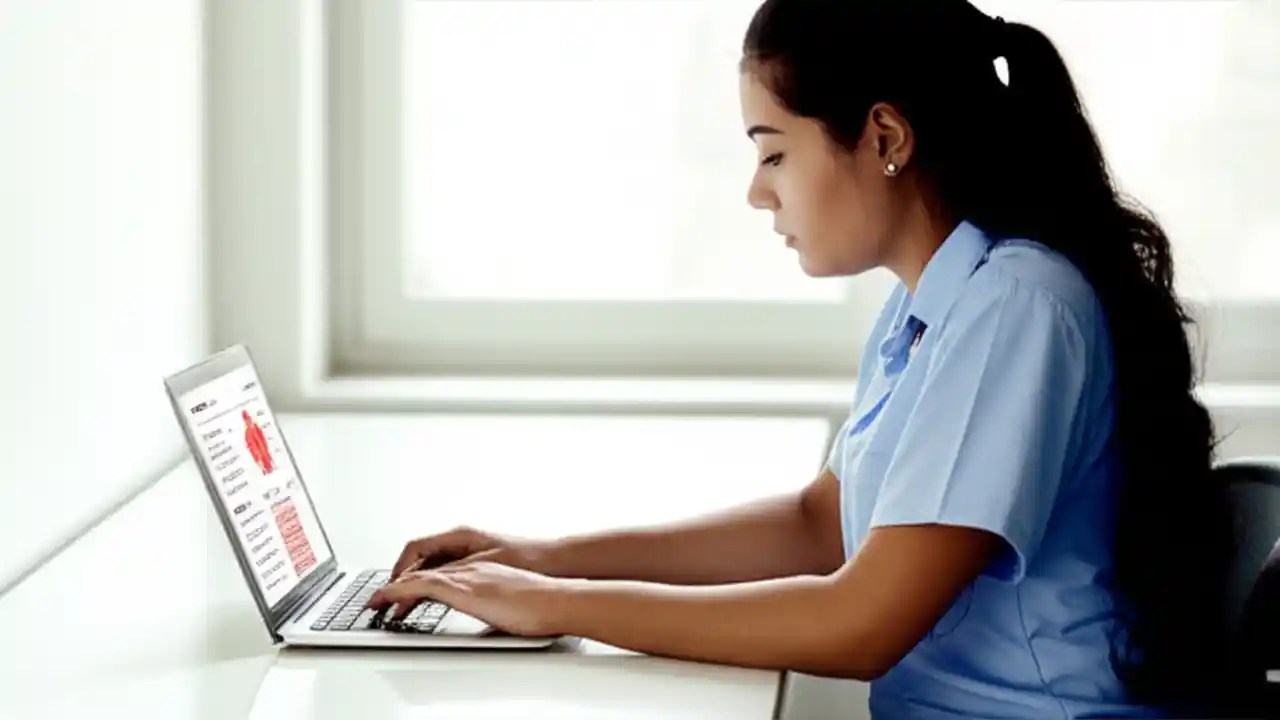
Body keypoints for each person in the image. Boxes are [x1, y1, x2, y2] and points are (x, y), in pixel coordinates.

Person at [367, 1, 1234, 716]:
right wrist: (544, 558)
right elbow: (823, 525)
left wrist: (557, 610)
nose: (756, 190)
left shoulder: (1019, 305)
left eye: (774, 152)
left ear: (885, 136)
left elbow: (861, 624)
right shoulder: (931, 301)